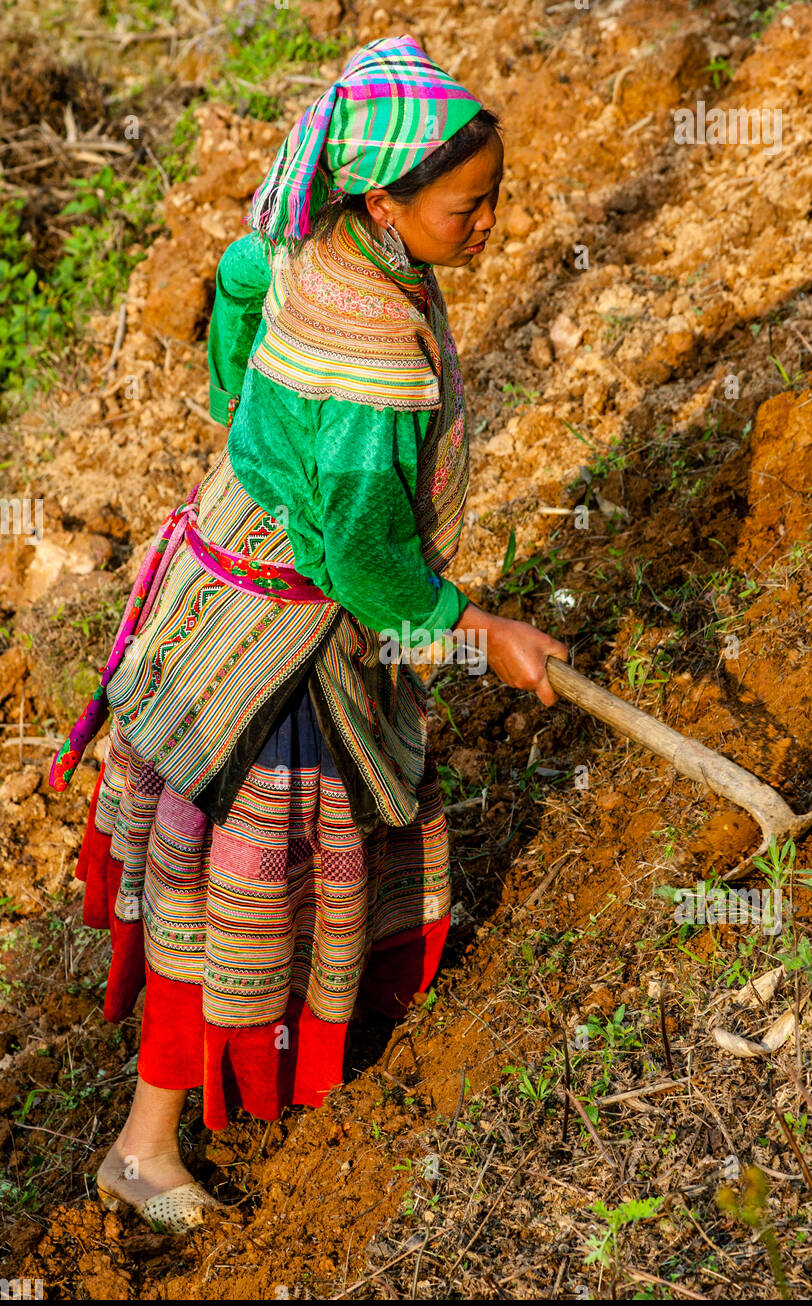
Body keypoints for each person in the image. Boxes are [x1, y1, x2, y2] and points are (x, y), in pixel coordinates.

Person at [55, 33, 568, 1233]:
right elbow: (361, 559)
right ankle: (144, 1146)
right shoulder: (369, 348)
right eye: (468, 208)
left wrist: (257, 421)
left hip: (228, 573)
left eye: (494, 202)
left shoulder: (314, 240)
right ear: (386, 197)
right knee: (235, 889)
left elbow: (236, 290)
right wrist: (477, 629)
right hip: (276, 646)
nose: (487, 227)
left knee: (226, 883)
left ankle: (261, 1077)